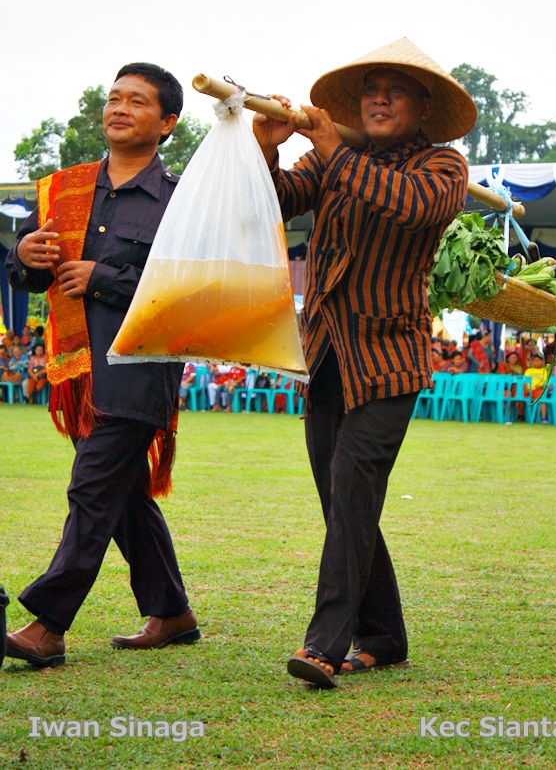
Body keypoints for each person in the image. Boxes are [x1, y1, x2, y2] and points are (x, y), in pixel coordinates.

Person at [252, 37, 476, 688]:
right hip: (325, 351)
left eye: (395, 88)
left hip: (389, 359)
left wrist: (330, 149)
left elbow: (408, 207)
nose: (378, 97)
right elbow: (270, 204)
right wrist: (266, 147)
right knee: (341, 501)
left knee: (352, 495)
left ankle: (325, 644)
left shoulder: (441, 166)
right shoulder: (334, 162)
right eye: (370, 88)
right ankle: (384, 636)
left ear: (423, 106)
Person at [4, 62, 199, 668]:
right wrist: (26, 256)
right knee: (123, 492)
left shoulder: (181, 201)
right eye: (114, 98)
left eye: (137, 102)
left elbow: (189, 288)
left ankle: (48, 624)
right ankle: (171, 612)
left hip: (141, 363)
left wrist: (103, 278)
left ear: (167, 122)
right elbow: (31, 275)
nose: (119, 108)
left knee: (92, 489)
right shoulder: (64, 189)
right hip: (78, 368)